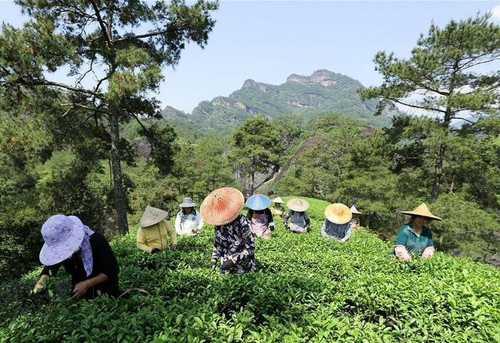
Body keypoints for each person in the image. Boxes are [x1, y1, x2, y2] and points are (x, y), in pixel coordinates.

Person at [32, 215, 119, 299]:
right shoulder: (62, 252)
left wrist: (86, 284)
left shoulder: (97, 241)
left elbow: (111, 271)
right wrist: (42, 280)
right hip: (78, 296)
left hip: (106, 295)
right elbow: (50, 267)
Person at [201, 187, 256, 274]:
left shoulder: (242, 223)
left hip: (243, 267)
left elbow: (250, 249)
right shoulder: (218, 224)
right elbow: (218, 245)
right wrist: (213, 261)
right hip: (225, 267)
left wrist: (233, 261)